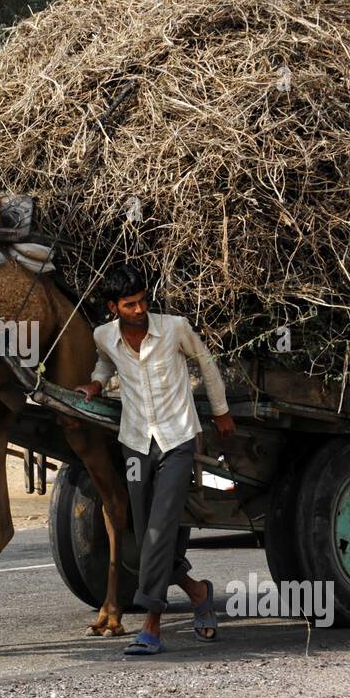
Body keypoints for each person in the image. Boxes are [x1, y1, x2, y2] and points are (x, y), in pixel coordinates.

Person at [75, 264, 236, 655]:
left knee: (160, 529)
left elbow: (207, 363)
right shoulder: (104, 337)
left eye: (143, 301)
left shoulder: (174, 328)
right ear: (113, 307)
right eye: (130, 304)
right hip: (135, 444)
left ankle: (151, 626)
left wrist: (221, 411)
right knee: (145, 536)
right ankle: (198, 593)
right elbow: (106, 364)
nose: (139, 309)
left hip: (178, 440)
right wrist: (96, 383)